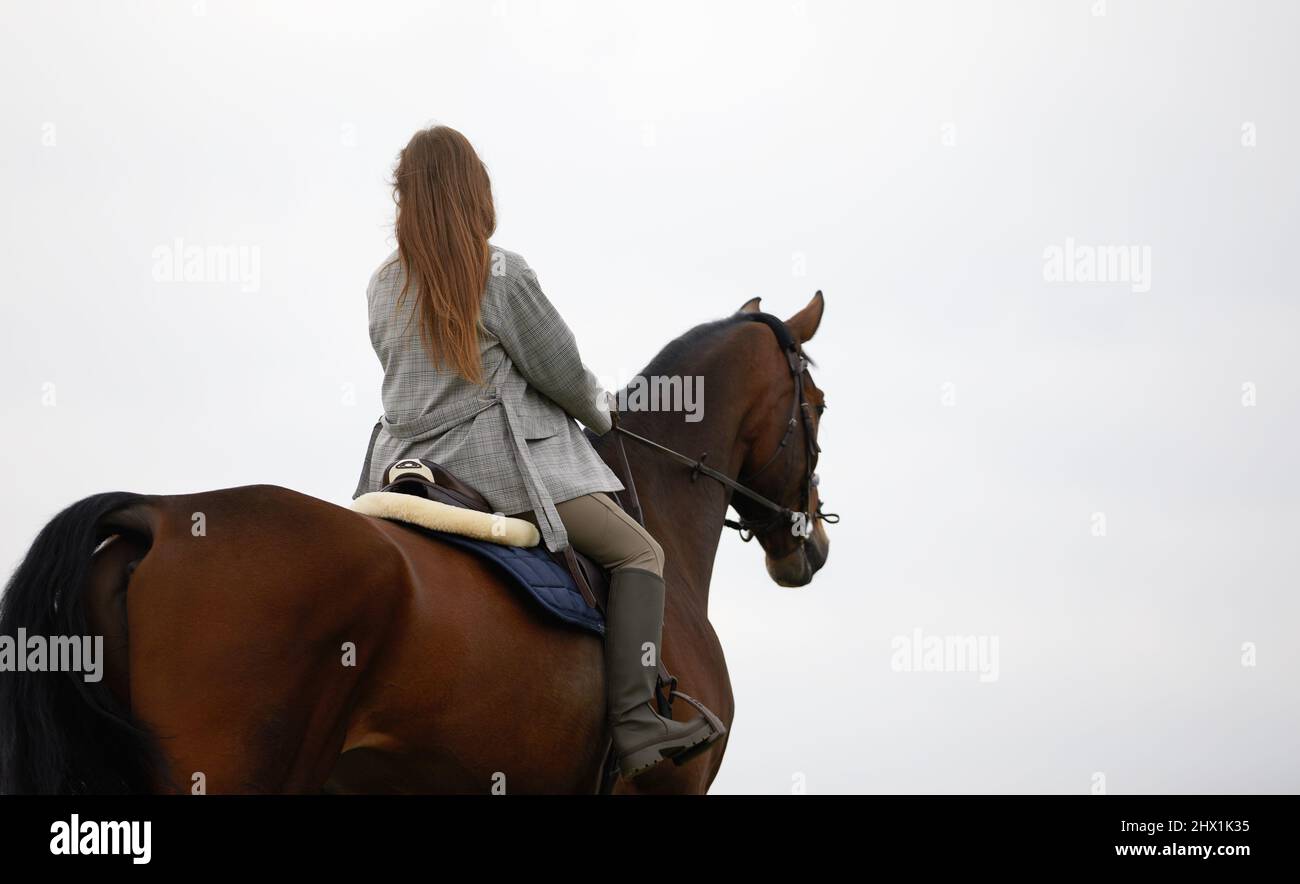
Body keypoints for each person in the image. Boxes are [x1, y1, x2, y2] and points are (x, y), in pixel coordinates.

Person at [354, 124, 723, 778]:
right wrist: (601, 413)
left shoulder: (382, 285)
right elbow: (560, 370)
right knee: (641, 553)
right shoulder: (499, 271)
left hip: (401, 469)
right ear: (474, 191)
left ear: (404, 198)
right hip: (502, 471)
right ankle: (638, 723)